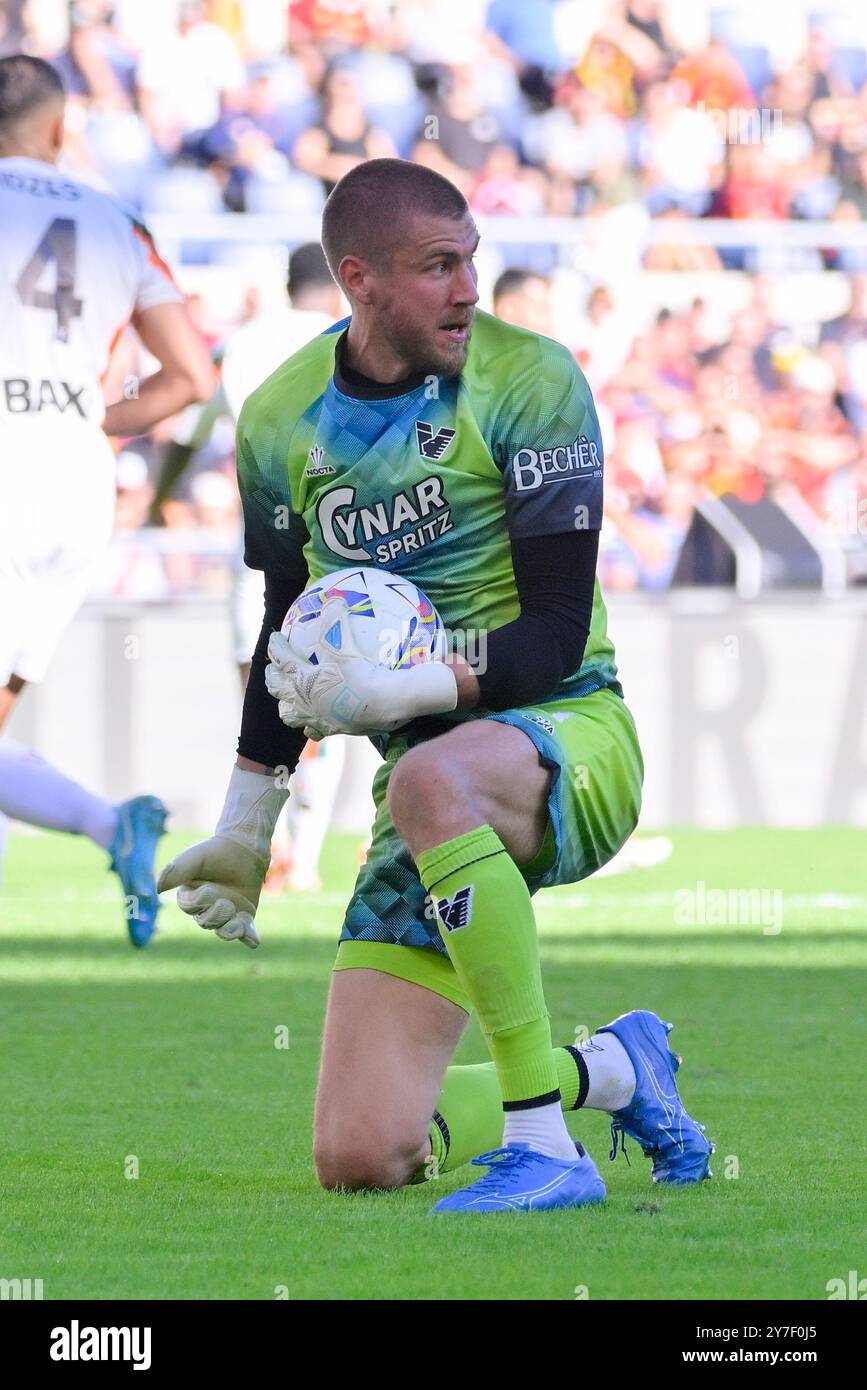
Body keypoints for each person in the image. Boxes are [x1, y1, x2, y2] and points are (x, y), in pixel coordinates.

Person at [160, 158, 713, 1212]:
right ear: (358, 279)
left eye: (472, 261)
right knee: (361, 1157)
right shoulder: (282, 419)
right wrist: (247, 819)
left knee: (427, 782)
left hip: (569, 735)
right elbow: (286, 617)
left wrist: (411, 686)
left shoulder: (532, 381)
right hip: (423, 794)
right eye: (438, 267)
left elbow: (553, 635)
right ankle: (615, 1069)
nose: (468, 288)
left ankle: (547, 1151)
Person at [0, 55, 215, 944]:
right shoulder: (116, 220)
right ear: (60, 127)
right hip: (69, 482)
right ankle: (108, 823)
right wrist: (92, 422)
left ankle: (106, 822)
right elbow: (192, 375)